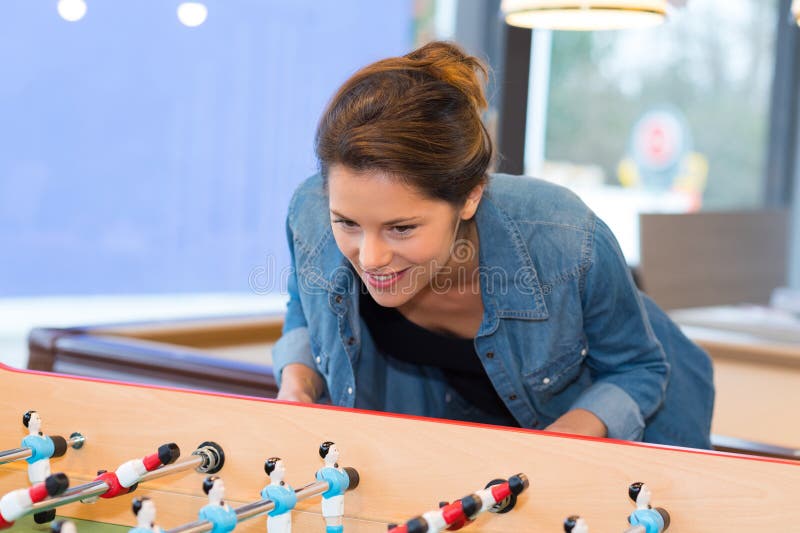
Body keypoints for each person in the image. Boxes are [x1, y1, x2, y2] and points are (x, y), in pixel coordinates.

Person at [272, 40, 714, 448]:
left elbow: (639, 368)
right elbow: (304, 313)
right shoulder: (309, 213)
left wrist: (561, 442)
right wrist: (297, 383)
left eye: (401, 228)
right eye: (347, 223)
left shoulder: (564, 237)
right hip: (456, 415)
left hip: (646, 423)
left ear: (469, 197)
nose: (370, 258)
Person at [261, 457, 296, 533]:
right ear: (272, 471)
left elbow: (291, 501)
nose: (284, 469)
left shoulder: (286, 486)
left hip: (287, 517)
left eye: (284, 466)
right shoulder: (269, 490)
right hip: (277, 520)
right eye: (281, 467)